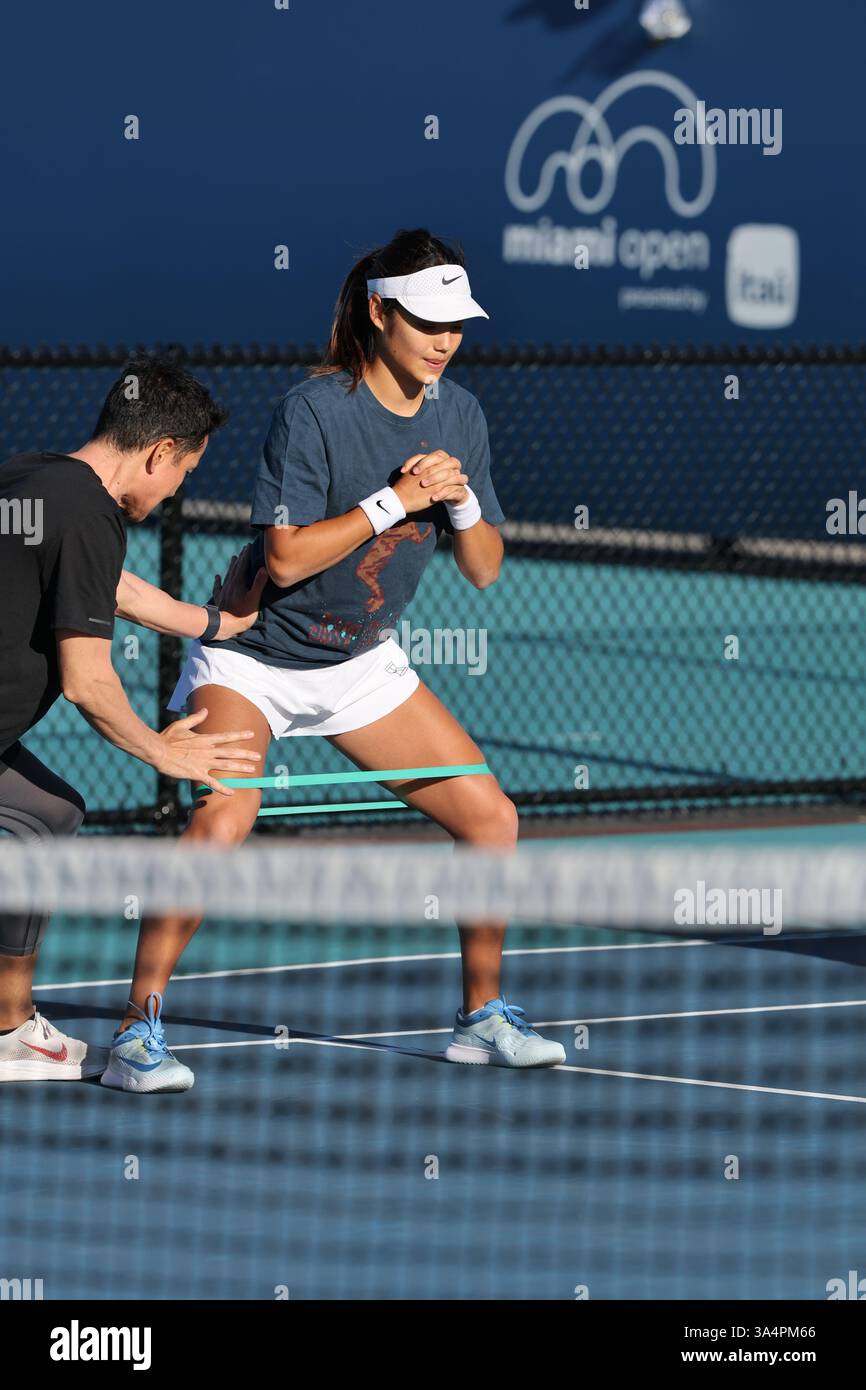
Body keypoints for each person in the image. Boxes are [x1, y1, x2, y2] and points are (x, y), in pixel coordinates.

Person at [104, 227, 567, 1094]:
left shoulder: (460, 414)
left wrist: (462, 506)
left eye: (457, 325)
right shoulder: (312, 411)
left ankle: (480, 1018)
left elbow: (485, 570)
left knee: (491, 820)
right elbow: (281, 560)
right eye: (429, 321)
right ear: (379, 311)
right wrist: (397, 499)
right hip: (254, 660)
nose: (445, 340)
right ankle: (137, 1030)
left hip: (361, 665)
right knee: (222, 823)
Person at [0, 356, 266, 1082]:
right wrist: (164, 753)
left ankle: (9, 1028)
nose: (181, 487)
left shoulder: (36, 476)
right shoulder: (90, 512)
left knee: (49, 814)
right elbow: (89, 681)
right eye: (183, 473)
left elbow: (103, 585)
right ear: (158, 453)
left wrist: (214, 624)